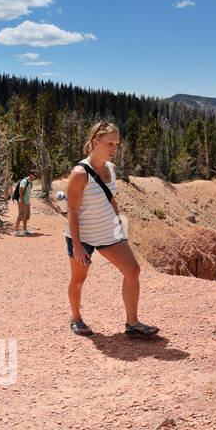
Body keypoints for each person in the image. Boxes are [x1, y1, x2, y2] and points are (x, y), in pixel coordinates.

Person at [63, 122, 157, 339]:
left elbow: (111, 198)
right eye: (110, 143)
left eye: (117, 143)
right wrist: (77, 246)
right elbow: (72, 211)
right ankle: (76, 318)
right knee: (79, 280)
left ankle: (132, 323)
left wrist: (119, 225)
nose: (114, 148)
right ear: (95, 142)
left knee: (132, 270)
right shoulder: (80, 173)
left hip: (108, 233)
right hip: (83, 237)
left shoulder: (111, 169)